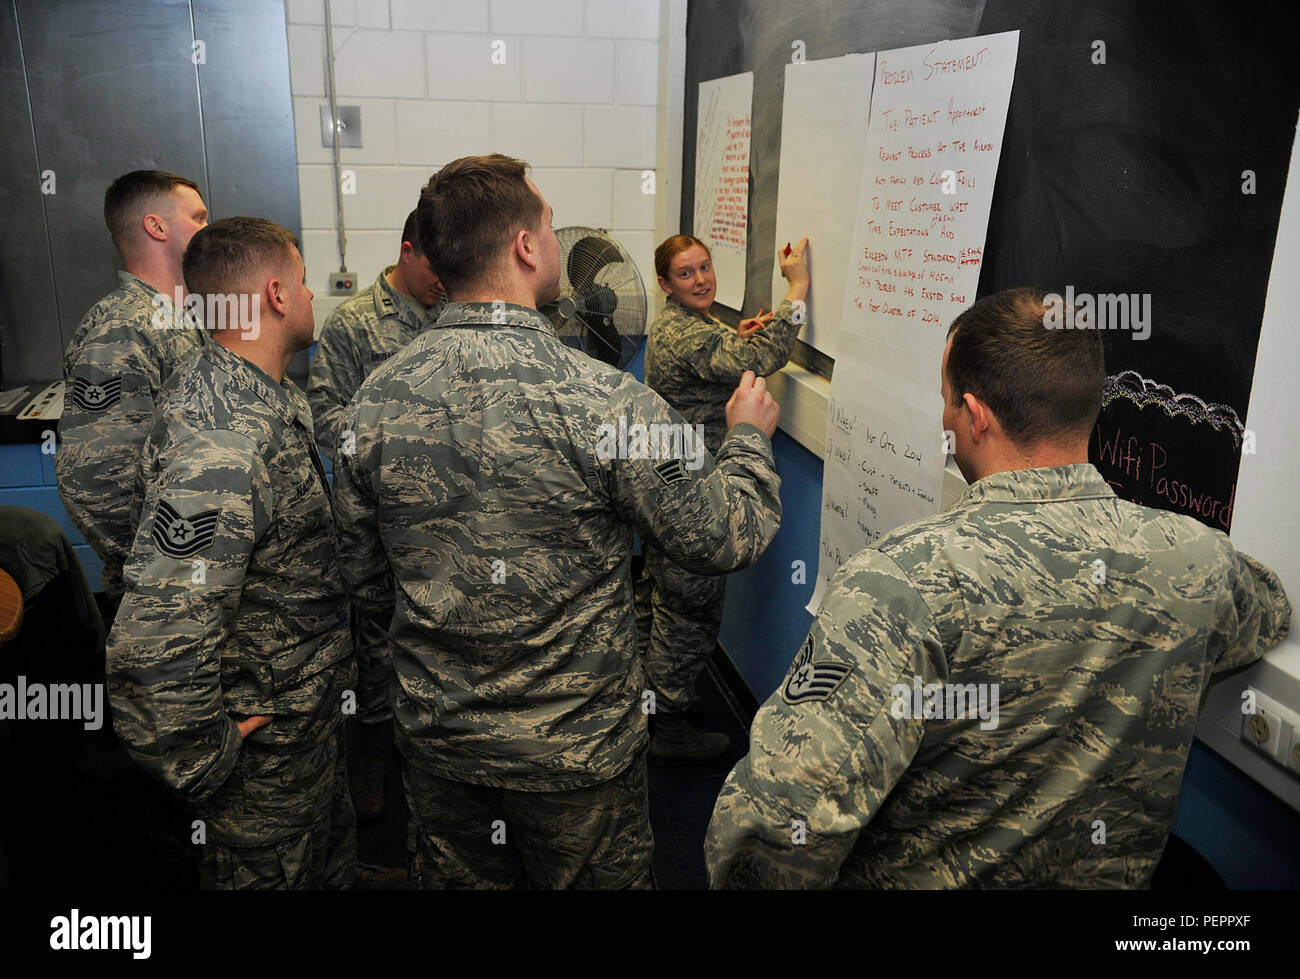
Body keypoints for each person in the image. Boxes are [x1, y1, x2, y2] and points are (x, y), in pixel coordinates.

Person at [705, 287, 1292, 888]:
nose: (944, 419)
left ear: (974, 415)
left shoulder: (899, 585)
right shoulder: (1197, 560)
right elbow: (1267, 613)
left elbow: (773, 834)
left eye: (946, 402)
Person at [332, 154, 784, 889]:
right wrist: (748, 439)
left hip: (441, 741)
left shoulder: (374, 402)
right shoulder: (607, 400)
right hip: (576, 752)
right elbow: (727, 533)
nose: (553, 238)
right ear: (524, 246)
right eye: (548, 224)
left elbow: (362, 579)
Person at [108, 217, 356, 890]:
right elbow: (155, 635)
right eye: (303, 281)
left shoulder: (259, 394)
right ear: (276, 294)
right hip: (260, 760)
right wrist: (204, 757)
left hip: (299, 722)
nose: (311, 295)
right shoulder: (222, 438)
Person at [636, 233, 810, 764]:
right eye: (685, 274)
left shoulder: (688, 324)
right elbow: (761, 356)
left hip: (672, 484)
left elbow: (727, 352)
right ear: (665, 284)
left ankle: (643, 701)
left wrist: (734, 333)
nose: (701, 280)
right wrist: (797, 289)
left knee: (661, 598)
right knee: (688, 612)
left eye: (705, 267)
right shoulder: (683, 333)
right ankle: (667, 728)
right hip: (691, 496)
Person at [307, 208, 446, 820]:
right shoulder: (354, 323)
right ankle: (372, 752)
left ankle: (434, 757)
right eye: (434, 264)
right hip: (379, 517)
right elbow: (325, 417)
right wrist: (400, 443)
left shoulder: (455, 314)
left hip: (446, 519)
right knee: (377, 642)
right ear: (407, 251)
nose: (443, 278)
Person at [56, 170, 209, 619]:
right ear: (156, 226)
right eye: (198, 217)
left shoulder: (181, 317)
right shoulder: (124, 328)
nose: (209, 229)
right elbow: (94, 479)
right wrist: (163, 568)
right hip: (165, 596)